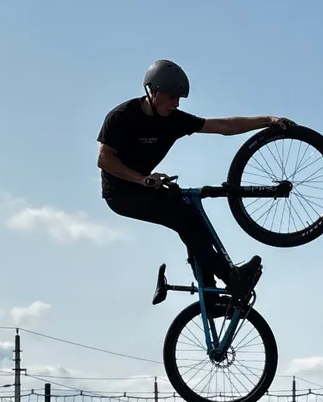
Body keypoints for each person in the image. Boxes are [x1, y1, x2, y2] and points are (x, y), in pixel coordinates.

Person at [97, 59, 291, 298]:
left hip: (144, 187)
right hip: (120, 194)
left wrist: (268, 120)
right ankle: (231, 278)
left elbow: (223, 126)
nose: (176, 104)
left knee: (191, 213)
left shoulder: (175, 120)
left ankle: (208, 294)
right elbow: (104, 160)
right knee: (184, 217)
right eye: (172, 97)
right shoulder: (121, 116)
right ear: (153, 91)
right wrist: (143, 180)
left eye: (179, 99)